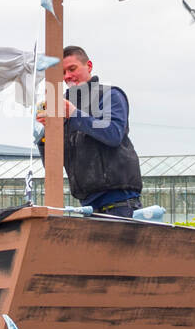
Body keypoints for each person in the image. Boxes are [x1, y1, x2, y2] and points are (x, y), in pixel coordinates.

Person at [39, 45, 143, 218]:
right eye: (63, 73)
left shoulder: (110, 95)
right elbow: (53, 164)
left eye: (72, 69)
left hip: (120, 205)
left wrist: (74, 114)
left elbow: (113, 133)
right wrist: (44, 134)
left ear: (89, 66)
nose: (68, 76)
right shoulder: (64, 109)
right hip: (88, 208)